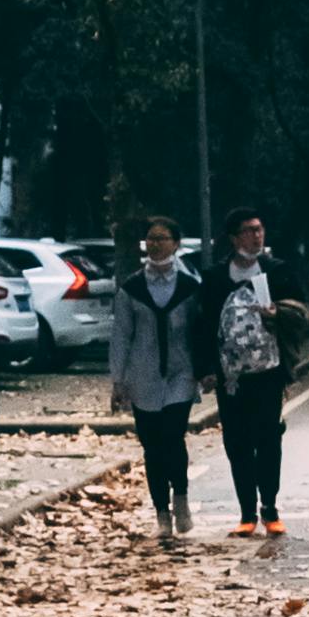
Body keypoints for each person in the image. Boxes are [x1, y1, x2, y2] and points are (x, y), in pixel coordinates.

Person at [208, 207, 309, 536]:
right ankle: (246, 512)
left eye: (259, 229)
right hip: (231, 376)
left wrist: (278, 314)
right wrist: (206, 369)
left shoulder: (277, 272)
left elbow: (304, 314)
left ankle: (269, 505)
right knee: (237, 441)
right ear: (233, 237)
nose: (256, 236)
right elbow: (204, 326)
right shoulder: (216, 276)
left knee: (268, 437)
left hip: (269, 371)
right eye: (249, 230)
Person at [108, 216, 208, 541]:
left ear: (176, 243)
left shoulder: (191, 287)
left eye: (162, 238)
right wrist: (118, 380)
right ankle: (161, 511)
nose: (155, 244)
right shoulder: (132, 288)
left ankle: (181, 498)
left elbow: (202, 332)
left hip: (181, 372)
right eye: (150, 239)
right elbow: (121, 334)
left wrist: (207, 372)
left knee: (172, 436)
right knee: (152, 446)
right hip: (143, 373)